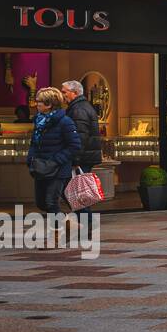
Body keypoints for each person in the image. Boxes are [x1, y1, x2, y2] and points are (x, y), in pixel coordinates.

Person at [27, 88, 80, 238]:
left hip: (58, 169)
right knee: (41, 203)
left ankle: (56, 236)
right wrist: (30, 159)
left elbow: (74, 146)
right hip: (40, 167)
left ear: (49, 104)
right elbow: (34, 143)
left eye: (39, 102)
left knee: (51, 202)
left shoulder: (65, 122)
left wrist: (56, 160)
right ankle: (66, 222)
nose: (36, 104)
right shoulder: (39, 121)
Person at [61, 80, 101, 231]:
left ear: (74, 92)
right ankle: (87, 223)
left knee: (73, 191)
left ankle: (88, 223)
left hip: (81, 158)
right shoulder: (79, 107)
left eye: (64, 92)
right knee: (77, 192)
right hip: (84, 156)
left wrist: (75, 159)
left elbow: (80, 137)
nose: (63, 95)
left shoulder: (78, 110)